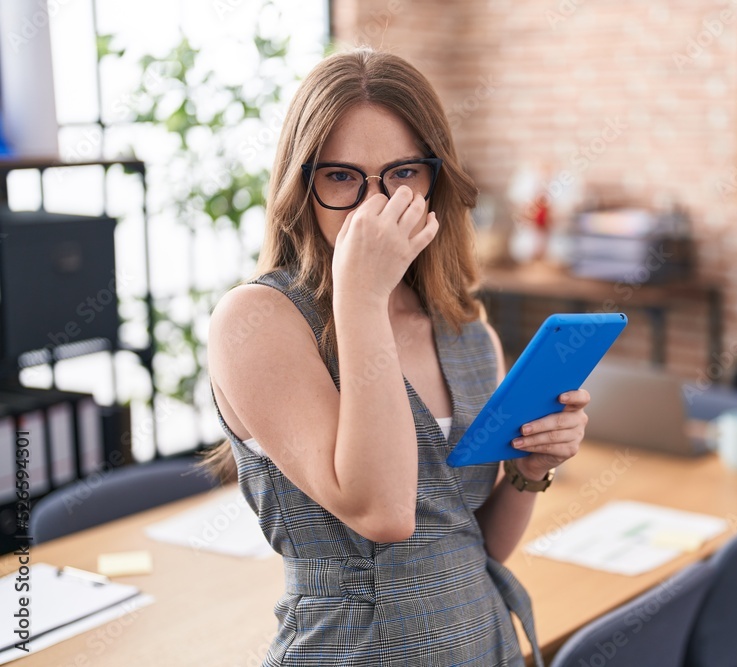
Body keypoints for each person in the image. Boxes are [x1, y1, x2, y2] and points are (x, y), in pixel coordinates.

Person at [204, 46, 591, 666]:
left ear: (435, 178)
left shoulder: (467, 333)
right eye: (341, 176)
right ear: (302, 186)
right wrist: (361, 295)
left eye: (403, 173)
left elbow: (471, 545)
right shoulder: (256, 322)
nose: (373, 205)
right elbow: (382, 512)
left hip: (481, 643)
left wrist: (530, 468)